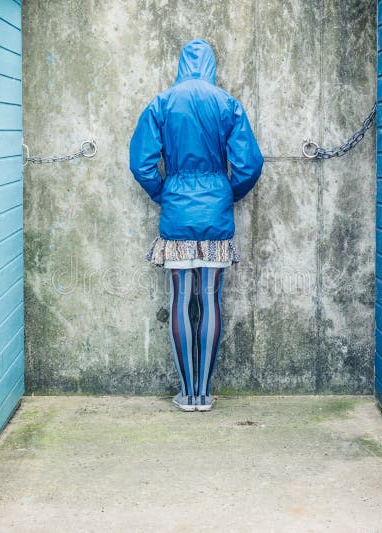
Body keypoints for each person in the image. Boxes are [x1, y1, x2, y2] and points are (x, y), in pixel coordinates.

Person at [129, 39, 263, 412]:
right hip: (216, 214)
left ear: (181, 65)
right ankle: (205, 394)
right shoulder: (227, 104)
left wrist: (165, 192)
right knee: (211, 300)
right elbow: (250, 165)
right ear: (210, 66)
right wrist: (225, 192)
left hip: (177, 216)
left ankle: (185, 394)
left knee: (179, 300)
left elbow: (141, 164)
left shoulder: (161, 103)